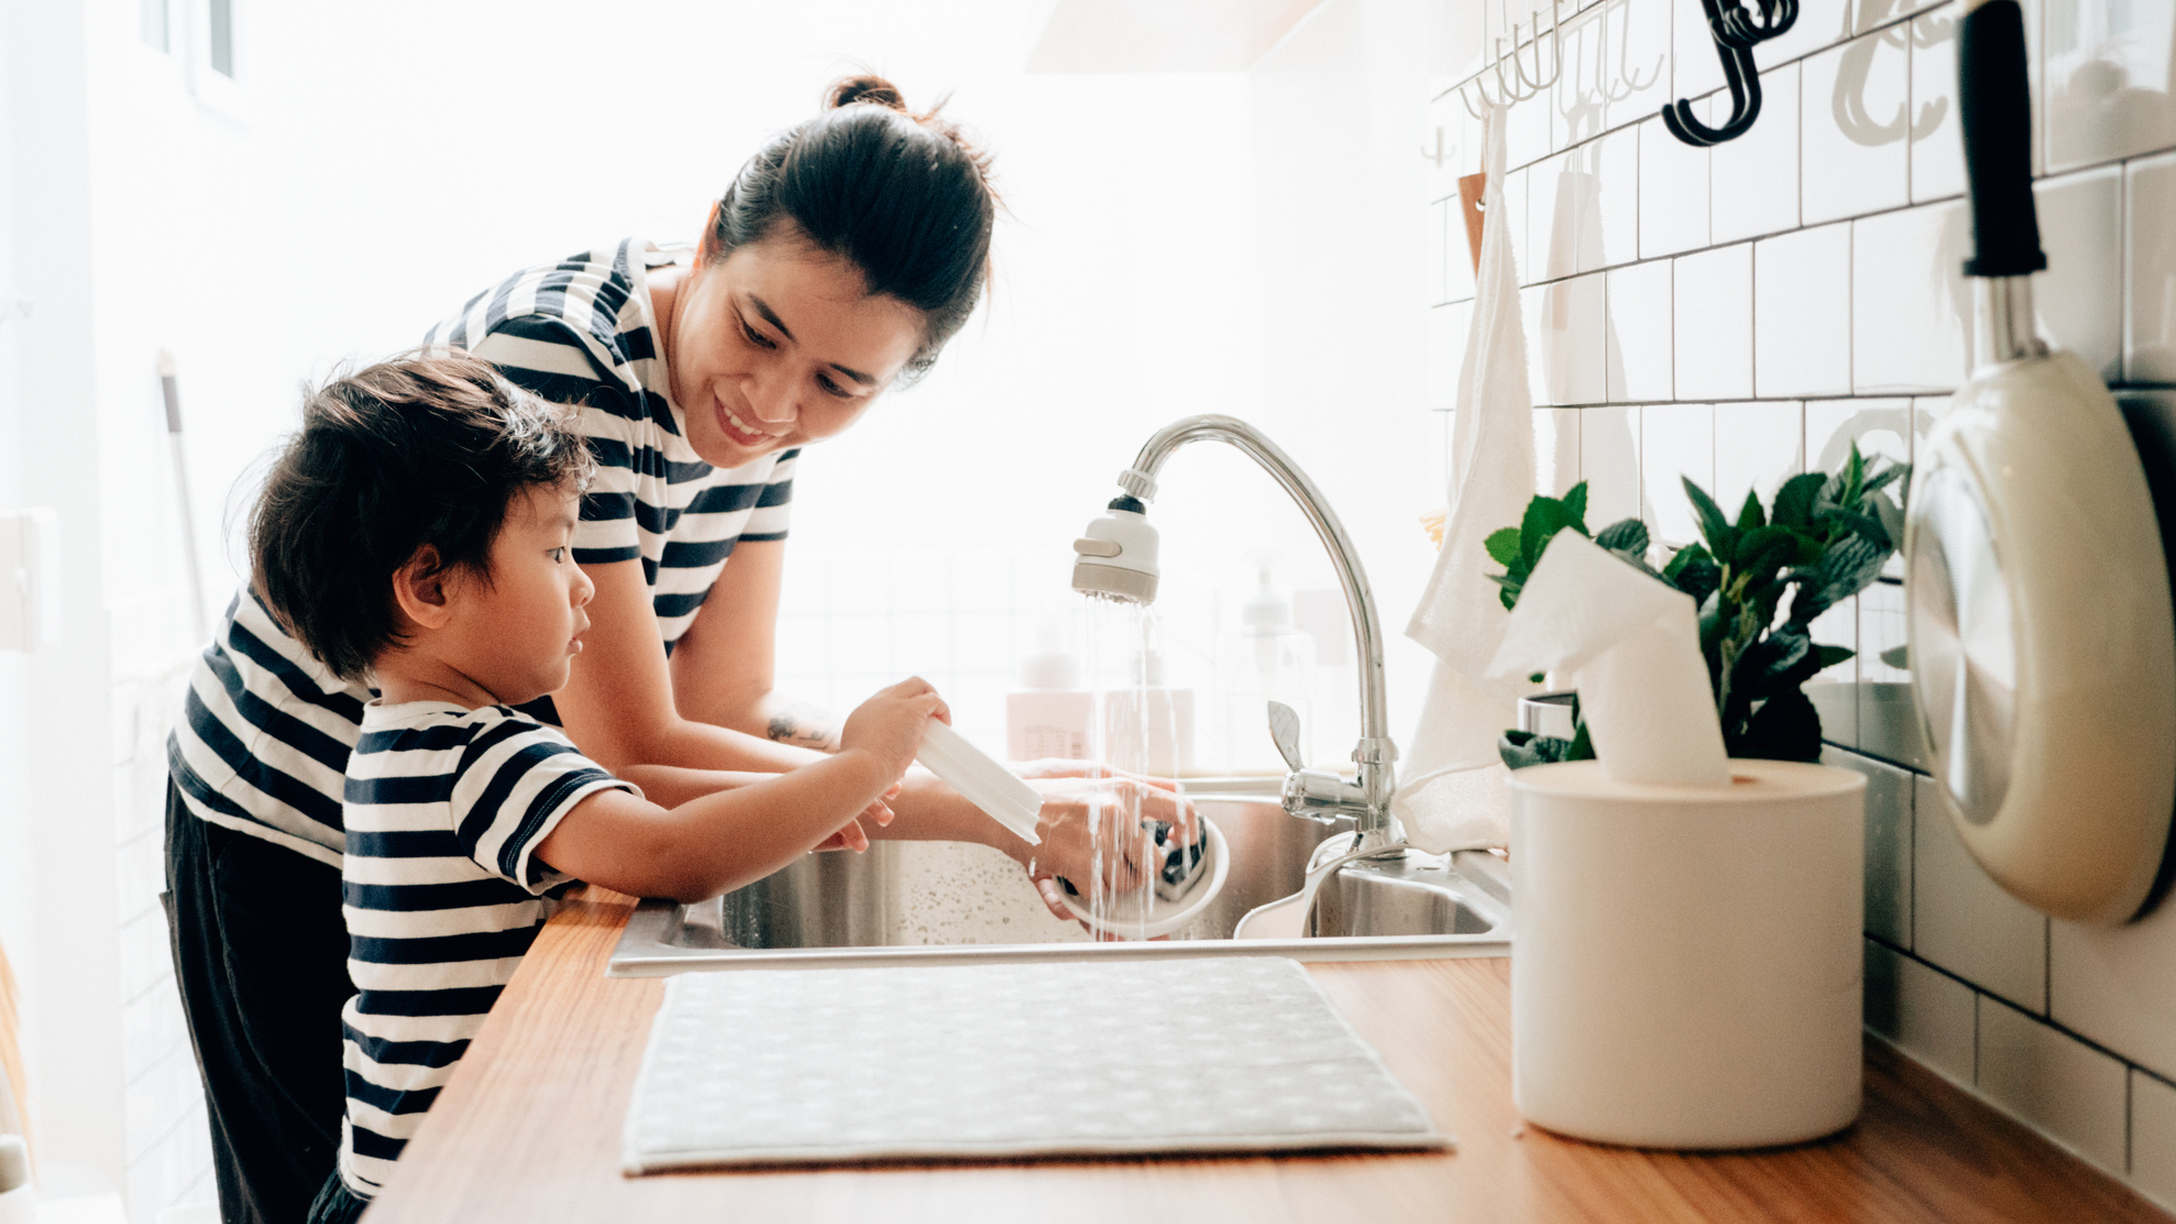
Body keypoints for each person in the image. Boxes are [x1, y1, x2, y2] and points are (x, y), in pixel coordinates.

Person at [165, 74, 1191, 1223]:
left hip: (462, 840)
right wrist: (989, 811)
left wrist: (999, 789)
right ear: (709, 236)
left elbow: (726, 706)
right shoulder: (563, 367)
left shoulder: (769, 421)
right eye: (760, 329)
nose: (770, 399)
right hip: (291, 825)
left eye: (841, 384)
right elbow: (643, 763)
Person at [238, 353, 940, 1222]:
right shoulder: (482, 758)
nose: (583, 584)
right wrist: (861, 766)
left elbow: (633, 821)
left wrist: (799, 814)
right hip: (451, 1193)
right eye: (555, 547)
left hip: (397, 1180)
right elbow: (671, 853)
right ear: (431, 584)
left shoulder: (402, 743)